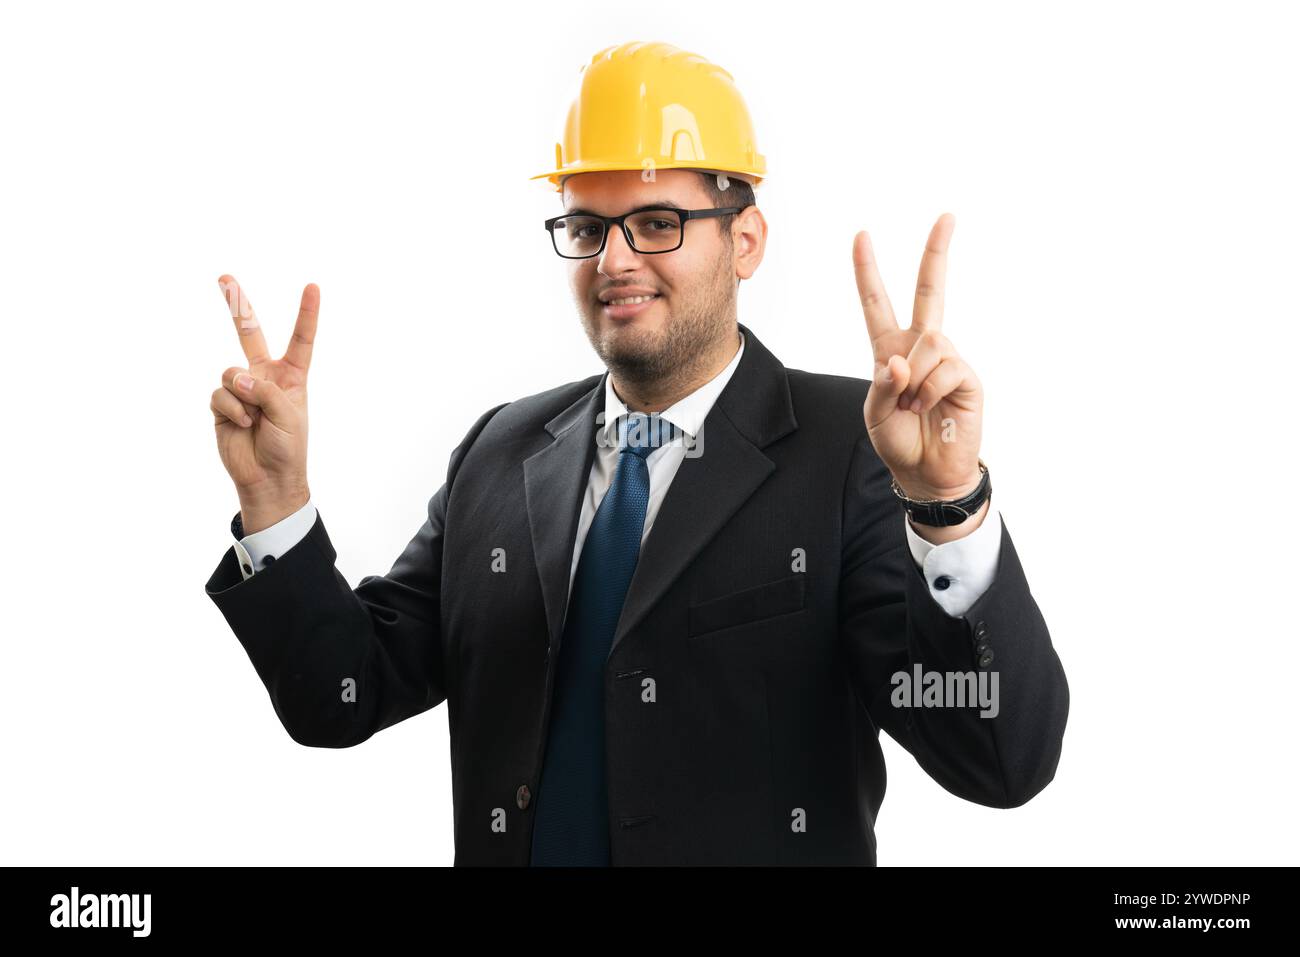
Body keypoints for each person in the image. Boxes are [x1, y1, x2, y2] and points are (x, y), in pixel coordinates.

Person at [205, 40, 1068, 866]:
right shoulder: (498, 453)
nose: (614, 259)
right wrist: (277, 504)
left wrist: (948, 505)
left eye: (656, 221)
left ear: (745, 241)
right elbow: (339, 694)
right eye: (587, 226)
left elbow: (1001, 758)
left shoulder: (856, 450)